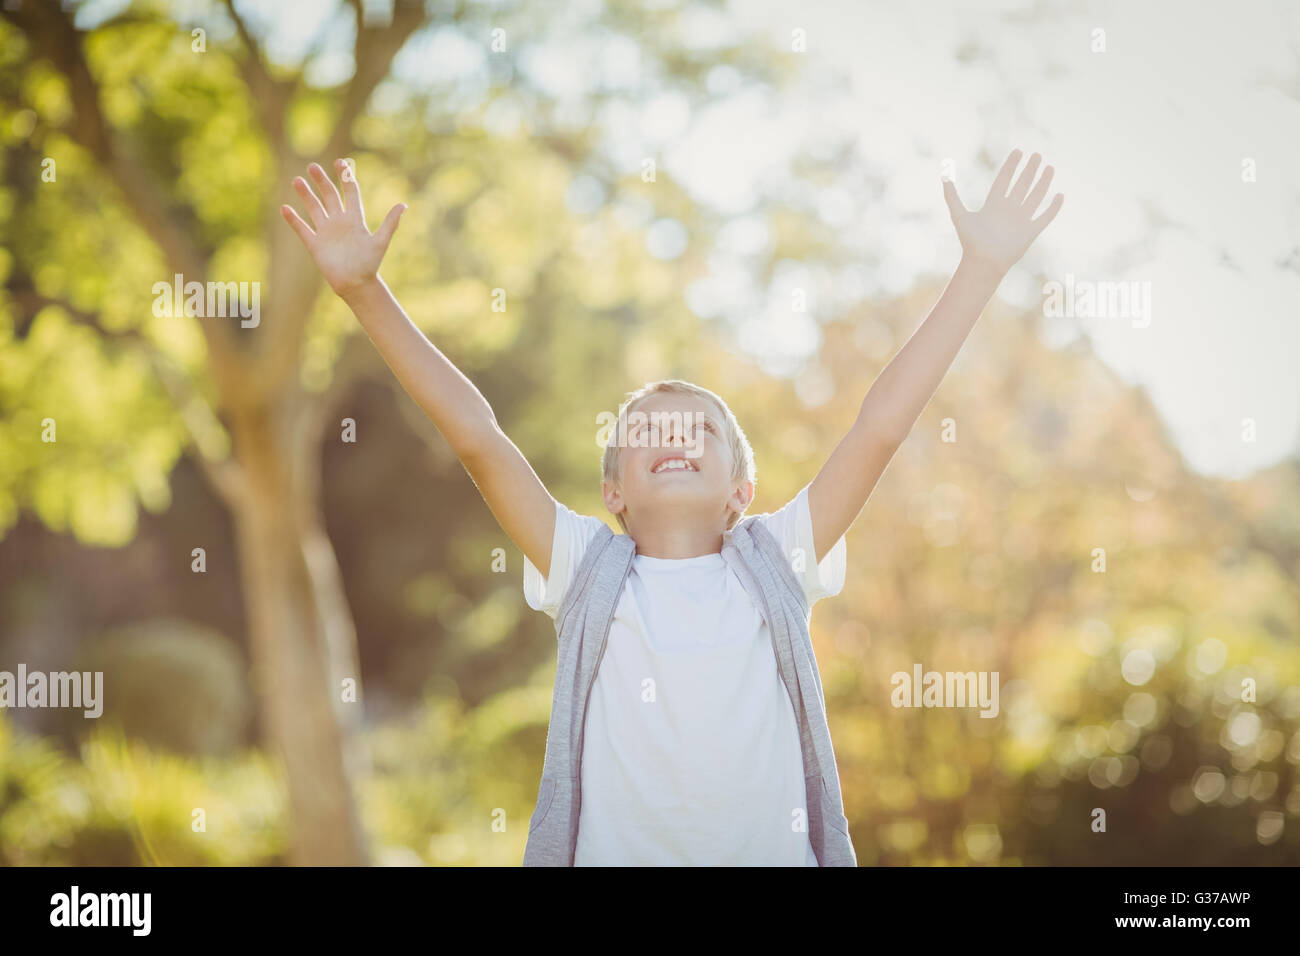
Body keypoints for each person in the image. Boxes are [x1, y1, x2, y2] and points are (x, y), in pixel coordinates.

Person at [281, 149, 1063, 865]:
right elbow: (479, 440)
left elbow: (880, 426)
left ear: (740, 495)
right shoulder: (583, 568)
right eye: (647, 428)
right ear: (613, 493)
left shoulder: (778, 559)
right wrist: (365, 293)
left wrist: (980, 272)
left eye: (700, 427)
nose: (674, 431)